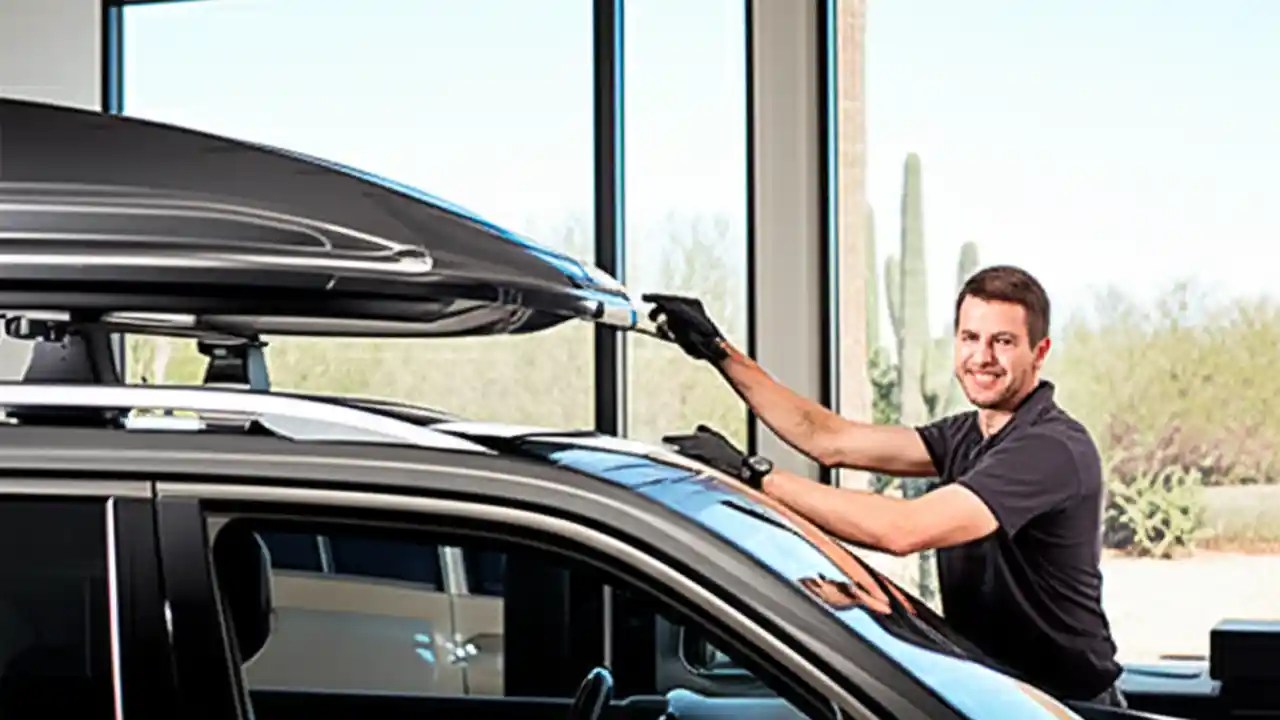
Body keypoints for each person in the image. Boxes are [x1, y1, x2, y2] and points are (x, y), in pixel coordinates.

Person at [644, 265, 1125, 708]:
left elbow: (902, 529)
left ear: (1039, 353)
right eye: (970, 337)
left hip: (1062, 707)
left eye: (1003, 342)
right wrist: (718, 351)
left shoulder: (1050, 448)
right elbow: (829, 439)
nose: (982, 357)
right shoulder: (967, 434)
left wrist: (755, 474)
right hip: (994, 694)